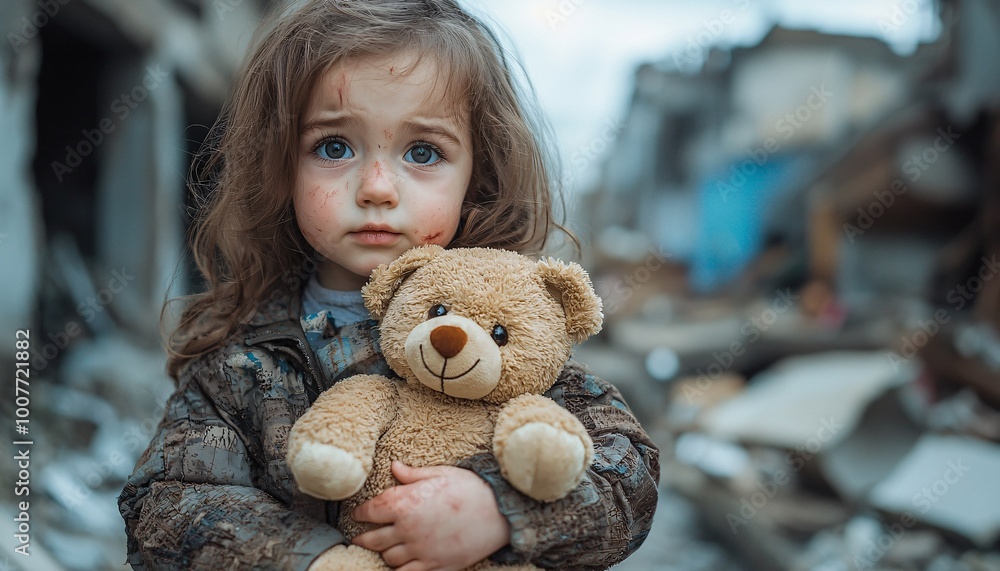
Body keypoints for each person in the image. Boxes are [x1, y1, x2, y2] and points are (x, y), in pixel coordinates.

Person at [118, 1, 659, 570]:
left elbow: (630, 477)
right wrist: (311, 560)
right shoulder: (243, 357)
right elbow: (164, 503)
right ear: (280, 165)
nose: (377, 187)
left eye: (422, 152)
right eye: (334, 146)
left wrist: (499, 510)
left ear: (479, 173)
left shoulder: (510, 335)